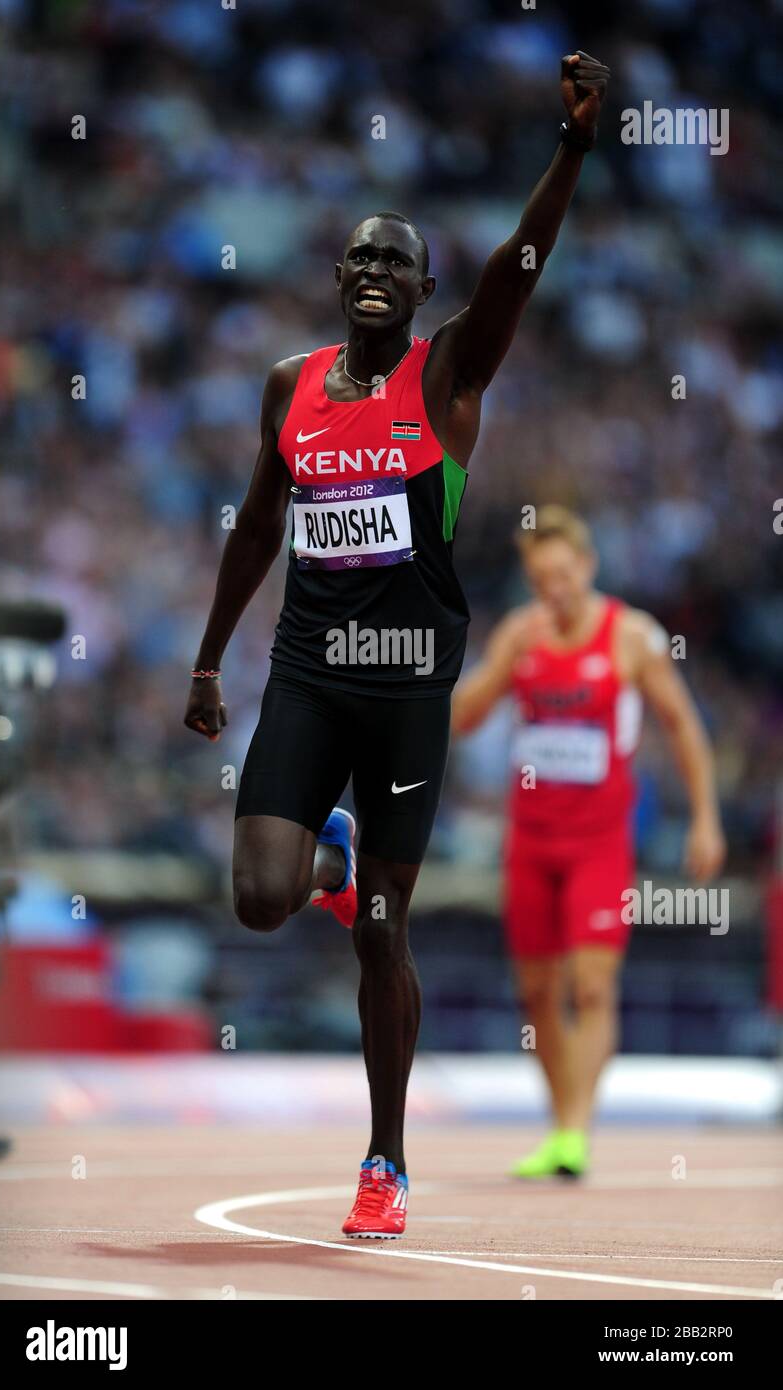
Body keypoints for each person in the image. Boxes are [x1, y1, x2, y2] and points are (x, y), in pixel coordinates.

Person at [185, 54, 611, 1236]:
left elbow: (520, 272)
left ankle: (385, 1162)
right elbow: (260, 526)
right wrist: (211, 658)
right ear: (336, 278)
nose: (376, 272)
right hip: (312, 674)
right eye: (358, 256)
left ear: (426, 289)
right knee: (264, 897)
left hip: (414, 691)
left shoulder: (451, 375)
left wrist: (571, 150)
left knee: (385, 926)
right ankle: (326, 850)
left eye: (397, 261)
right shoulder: (290, 388)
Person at [452, 505, 726, 1178]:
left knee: (593, 986)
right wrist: (500, 668)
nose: (555, 588)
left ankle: (574, 1131)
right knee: (538, 992)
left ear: (588, 566)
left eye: (564, 574)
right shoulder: (521, 633)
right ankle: (560, 1124)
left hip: (600, 844)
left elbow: (682, 726)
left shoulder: (630, 637)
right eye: (541, 577)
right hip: (531, 841)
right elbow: (459, 720)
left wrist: (704, 818)